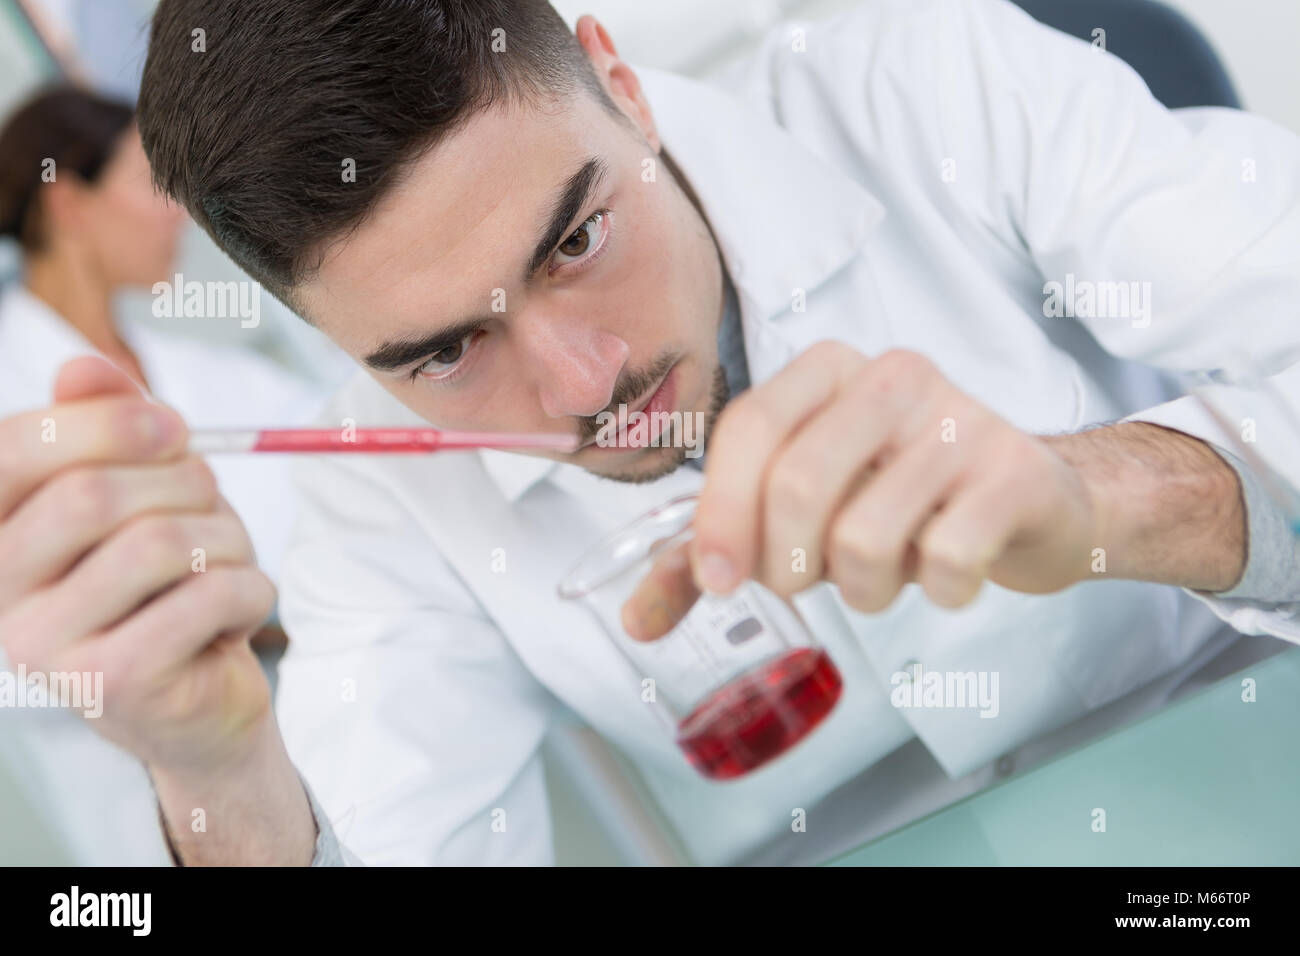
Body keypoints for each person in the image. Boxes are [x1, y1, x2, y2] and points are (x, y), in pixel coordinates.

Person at [3, 0, 1299, 865]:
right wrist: (220, 780)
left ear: (621, 85)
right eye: (445, 351)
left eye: (575, 240)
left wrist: (1109, 498)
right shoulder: (376, 494)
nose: (585, 386)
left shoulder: (928, 88)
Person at [0, 86, 323, 863]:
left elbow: (339, 450)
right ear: (69, 203)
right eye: (152, 184)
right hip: (144, 826)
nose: (176, 212)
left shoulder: (210, 374)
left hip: (316, 784)